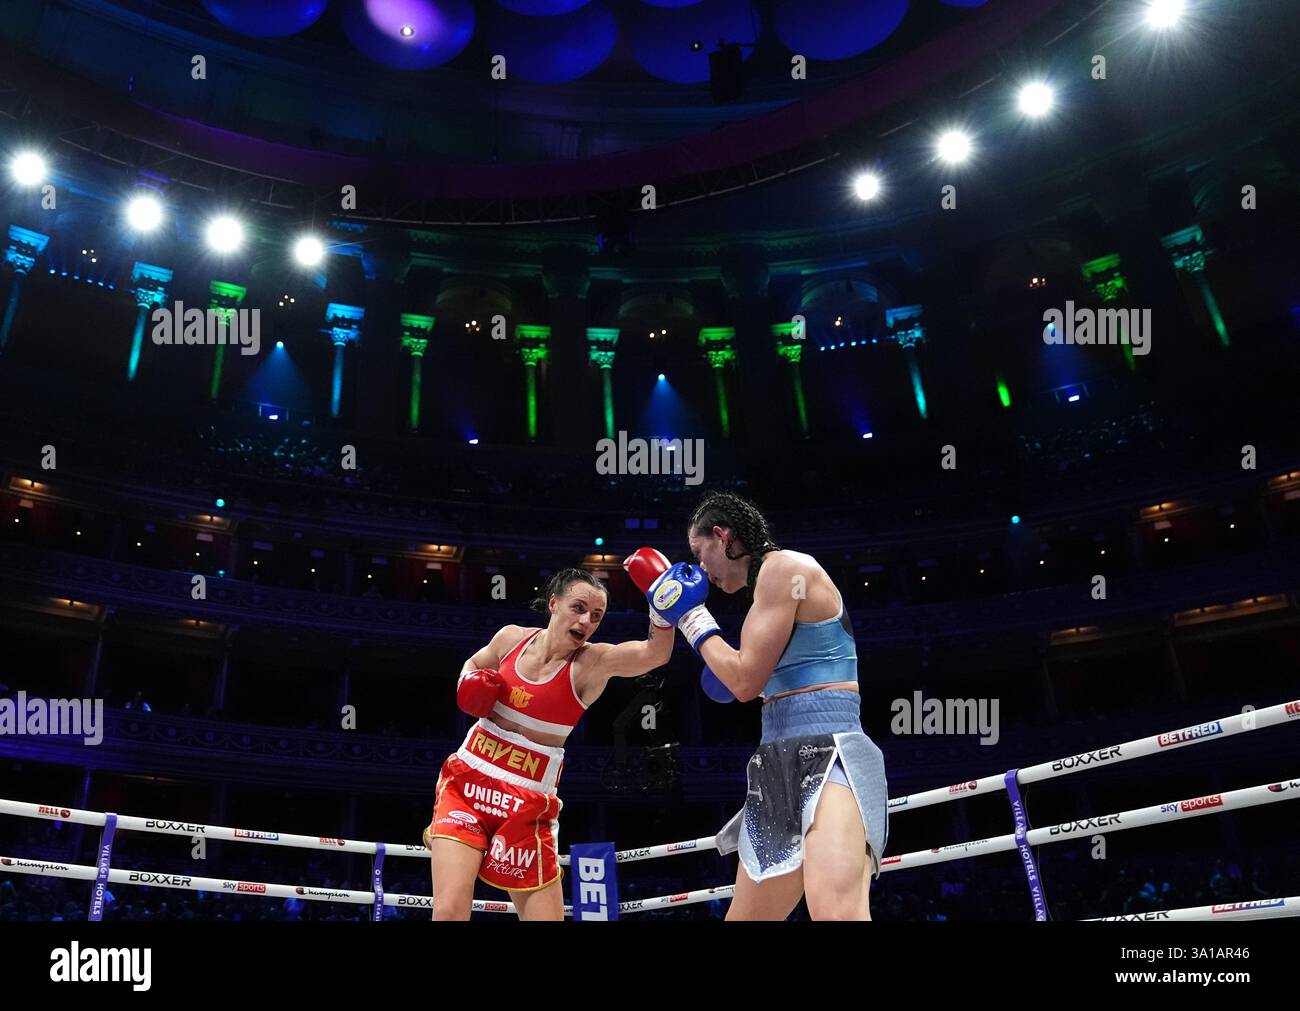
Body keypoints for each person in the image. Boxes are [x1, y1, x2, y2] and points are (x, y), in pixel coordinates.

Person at [642, 492, 888, 920]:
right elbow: (745, 681)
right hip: (776, 759)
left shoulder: (784, 569)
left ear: (723, 537)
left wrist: (690, 618)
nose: (702, 569)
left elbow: (741, 680)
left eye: (701, 553)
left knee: (836, 912)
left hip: (831, 756)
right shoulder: (764, 595)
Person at [423, 556, 674, 921]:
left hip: (527, 802)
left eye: (596, 616)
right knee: (448, 911)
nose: (586, 621)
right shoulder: (510, 639)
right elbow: (474, 664)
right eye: (579, 608)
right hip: (468, 785)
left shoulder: (593, 664)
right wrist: (468, 684)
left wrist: (661, 606)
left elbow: (656, 654)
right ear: (554, 603)